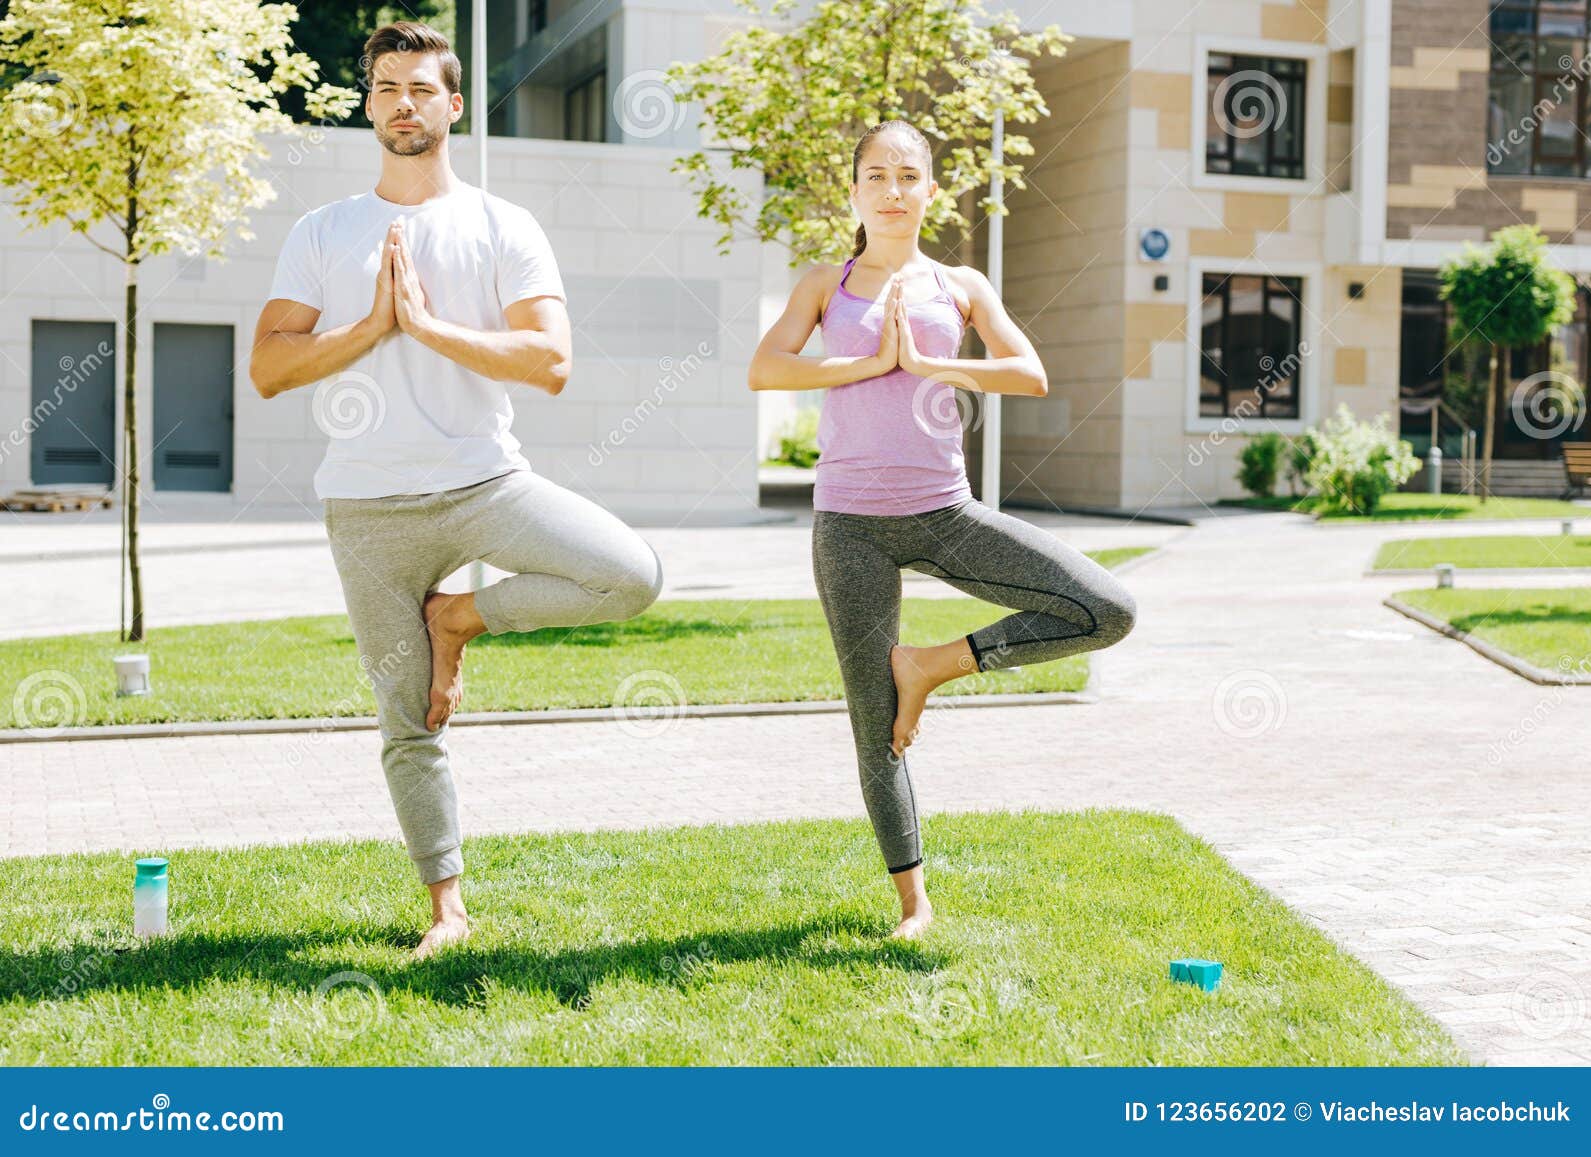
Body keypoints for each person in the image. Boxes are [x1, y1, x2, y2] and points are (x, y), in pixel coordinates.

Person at [250, 22, 662, 959]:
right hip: (366, 510)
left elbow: (551, 361)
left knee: (629, 574)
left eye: (421, 88)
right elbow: (269, 367)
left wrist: (428, 328)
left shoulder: (502, 224)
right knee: (408, 721)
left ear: (454, 104)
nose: (403, 103)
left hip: (484, 483)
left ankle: (460, 617)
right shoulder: (324, 231)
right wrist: (373, 326)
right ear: (369, 105)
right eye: (386, 87)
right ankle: (448, 908)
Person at [748, 120, 1138, 940]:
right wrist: (865, 364)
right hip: (850, 526)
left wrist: (930, 365)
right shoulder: (825, 283)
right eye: (876, 176)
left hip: (945, 512)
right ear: (854, 192)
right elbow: (766, 366)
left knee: (1108, 608)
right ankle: (914, 903)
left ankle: (932, 664)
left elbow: (1028, 372)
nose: (892, 190)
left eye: (908, 176)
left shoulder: (960, 284)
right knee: (874, 724)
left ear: (931, 191)